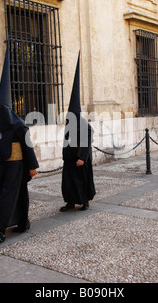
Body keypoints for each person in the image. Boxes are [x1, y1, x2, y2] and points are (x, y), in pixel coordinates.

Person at [0, 44, 39, 243]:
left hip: (17, 166)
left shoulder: (20, 126)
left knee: (8, 197)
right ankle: (22, 222)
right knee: (16, 194)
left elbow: (28, 147)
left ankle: (1, 229)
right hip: (3, 166)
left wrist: (33, 167)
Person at [60, 53, 96, 212]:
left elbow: (87, 143)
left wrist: (82, 158)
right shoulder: (69, 123)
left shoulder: (84, 126)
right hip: (69, 159)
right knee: (68, 183)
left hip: (80, 160)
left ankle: (84, 201)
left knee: (81, 182)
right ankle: (70, 202)